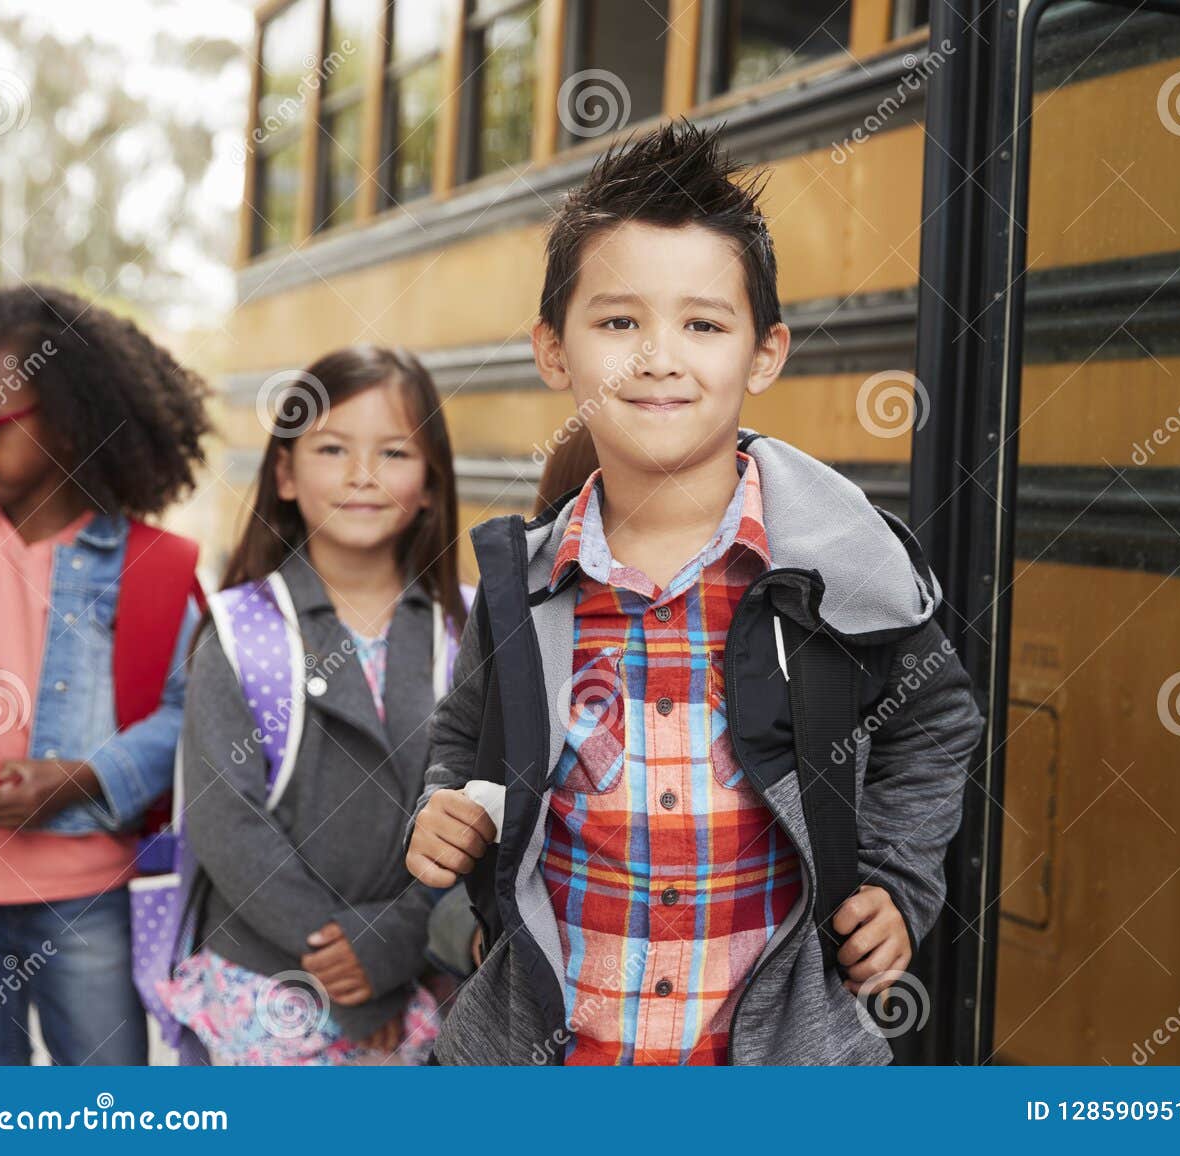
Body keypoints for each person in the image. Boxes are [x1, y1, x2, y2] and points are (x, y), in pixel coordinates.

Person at [405, 121, 985, 1065]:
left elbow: (935, 720)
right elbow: (463, 743)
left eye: (704, 324)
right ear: (555, 351)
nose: (660, 356)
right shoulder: (523, 588)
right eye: (619, 321)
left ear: (765, 353)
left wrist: (895, 879)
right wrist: (446, 808)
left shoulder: (838, 572)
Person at [160, 346, 465, 1065]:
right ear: (286, 475)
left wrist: (391, 947)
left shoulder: (464, 631)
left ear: (430, 485)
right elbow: (225, 821)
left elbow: (483, 810)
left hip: (418, 987)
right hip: (263, 994)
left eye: (394, 452)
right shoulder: (240, 628)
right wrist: (342, 960)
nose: (363, 476)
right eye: (332, 449)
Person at [0, 284, 210, 1065]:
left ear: (70, 419)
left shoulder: (152, 569)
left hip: (90, 895)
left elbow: (192, 711)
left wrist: (88, 775)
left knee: (105, 1104)